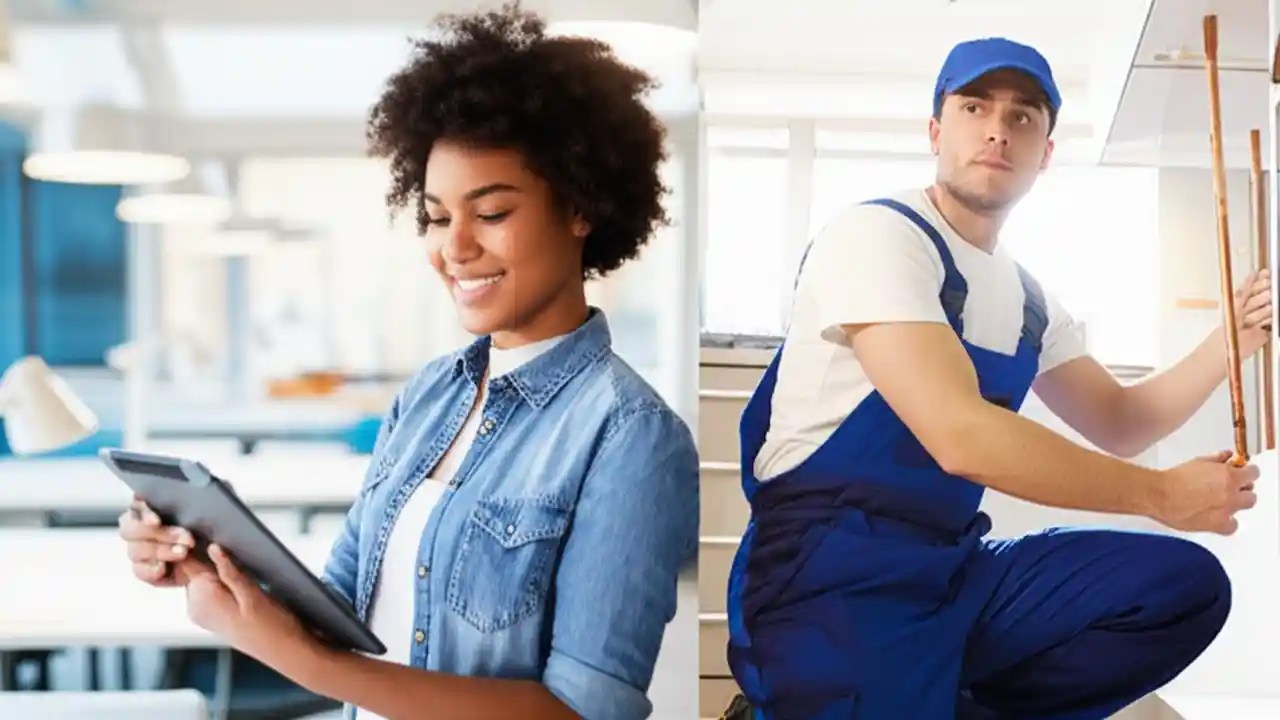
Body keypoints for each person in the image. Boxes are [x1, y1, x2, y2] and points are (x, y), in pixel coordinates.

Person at [116, 5, 698, 719]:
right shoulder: (430, 394)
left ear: (581, 207)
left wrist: (307, 663)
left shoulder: (632, 436)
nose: (454, 247)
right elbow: (343, 607)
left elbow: (583, 712)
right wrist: (216, 566)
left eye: (490, 214)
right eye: (434, 215)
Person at [724, 37, 1273, 719]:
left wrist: (1232, 340)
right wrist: (1163, 496)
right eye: (975, 106)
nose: (996, 129)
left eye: (1022, 117)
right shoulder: (877, 237)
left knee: (1181, 589)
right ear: (936, 130)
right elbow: (960, 435)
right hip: (829, 582)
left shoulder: (1028, 301)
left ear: (1045, 151)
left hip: (953, 573)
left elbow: (1122, 422)